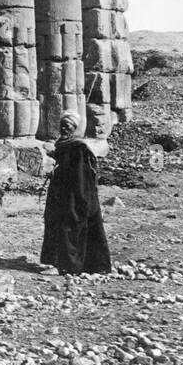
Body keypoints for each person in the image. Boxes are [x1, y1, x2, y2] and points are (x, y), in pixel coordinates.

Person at [41, 112, 112, 274]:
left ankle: (69, 266)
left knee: (70, 225)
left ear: (74, 128)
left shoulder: (78, 147)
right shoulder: (62, 144)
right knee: (56, 224)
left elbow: (79, 173)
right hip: (61, 192)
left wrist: (78, 197)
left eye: (68, 126)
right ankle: (58, 262)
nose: (64, 128)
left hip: (75, 192)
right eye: (63, 125)